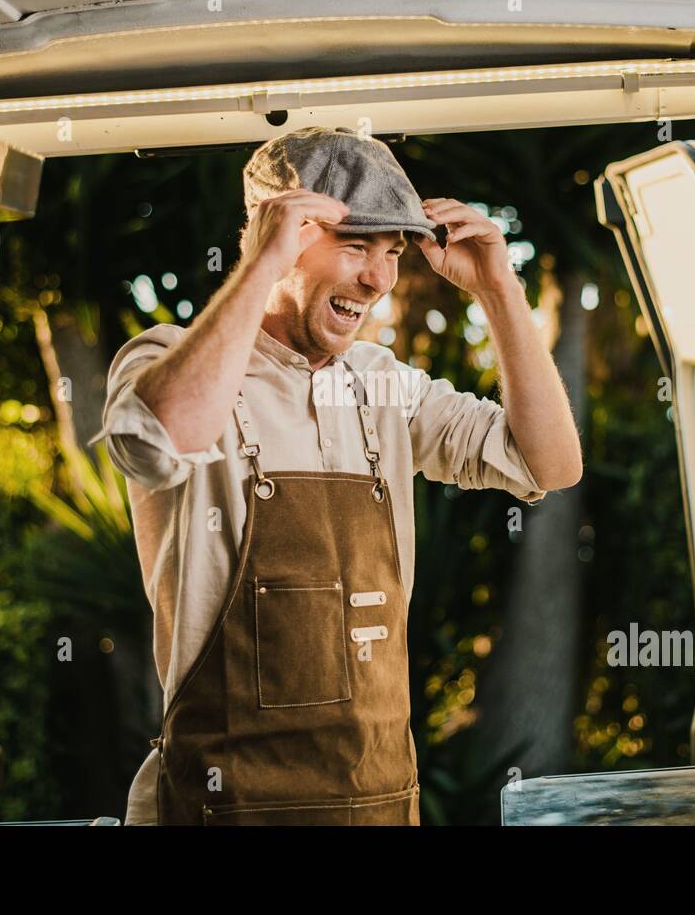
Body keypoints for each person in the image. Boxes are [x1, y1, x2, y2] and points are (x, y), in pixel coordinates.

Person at [92, 125, 583, 825]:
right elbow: (159, 438)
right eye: (354, 245)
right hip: (222, 811)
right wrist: (261, 267)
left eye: (390, 253)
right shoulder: (170, 358)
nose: (379, 279)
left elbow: (549, 464)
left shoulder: (382, 385)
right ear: (273, 234)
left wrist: (500, 290)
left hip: (379, 803)